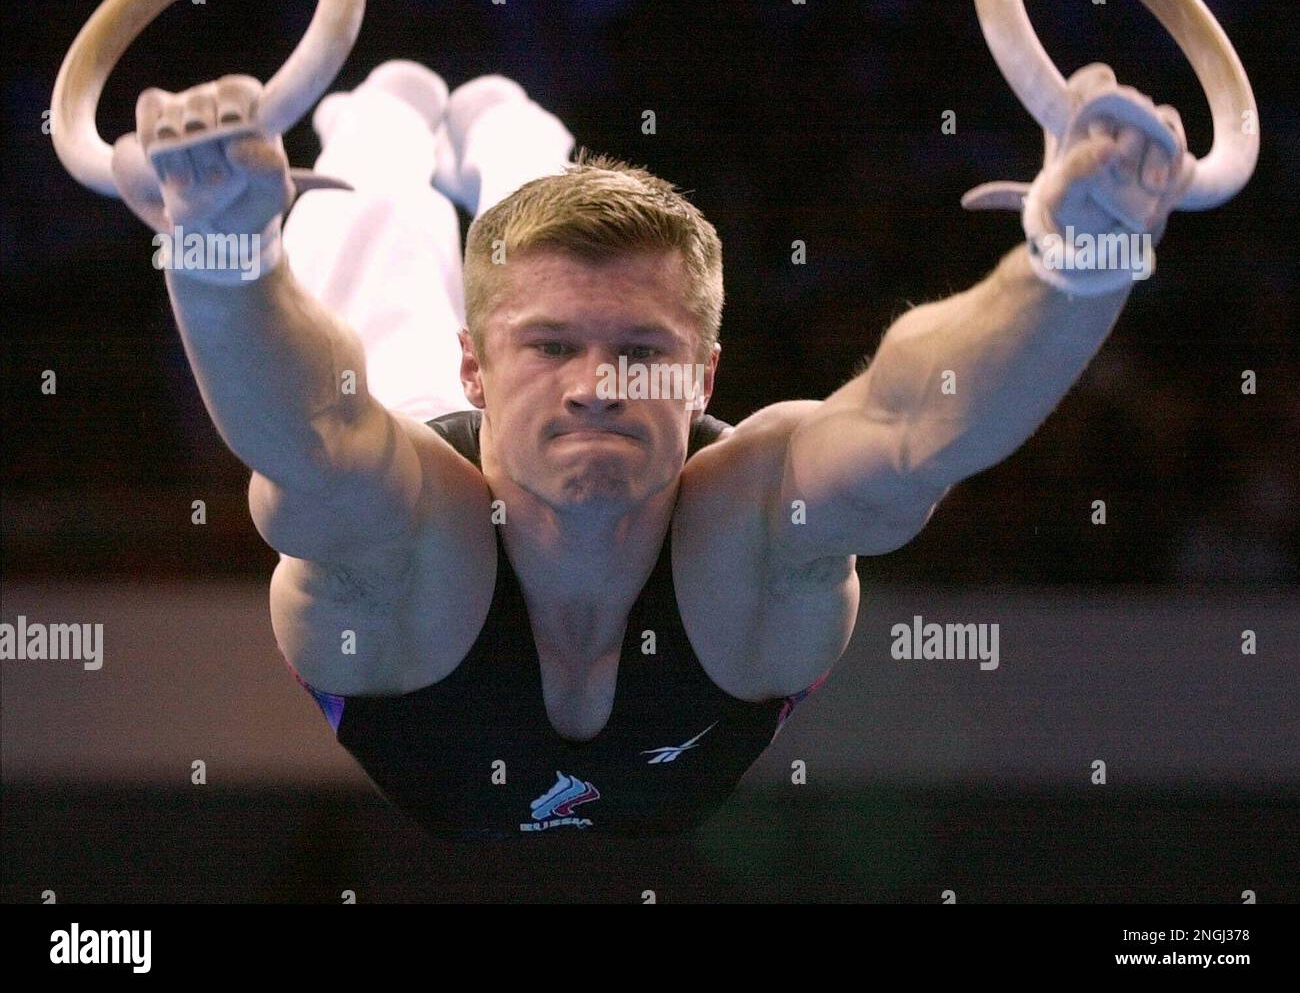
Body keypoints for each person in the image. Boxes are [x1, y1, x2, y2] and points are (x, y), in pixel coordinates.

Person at [109, 58, 1194, 840]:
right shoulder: (407, 527)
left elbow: (912, 426)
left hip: (447, 620)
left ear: (705, 378)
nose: (597, 385)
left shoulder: (754, 528)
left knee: (424, 304)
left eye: (643, 349)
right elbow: (308, 437)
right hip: (438, 483)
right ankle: (390, 115)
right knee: (377, 273)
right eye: (550, 347)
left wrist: (1076, 262)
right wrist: (219, 250)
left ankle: (498, 130)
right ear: (477, 373)